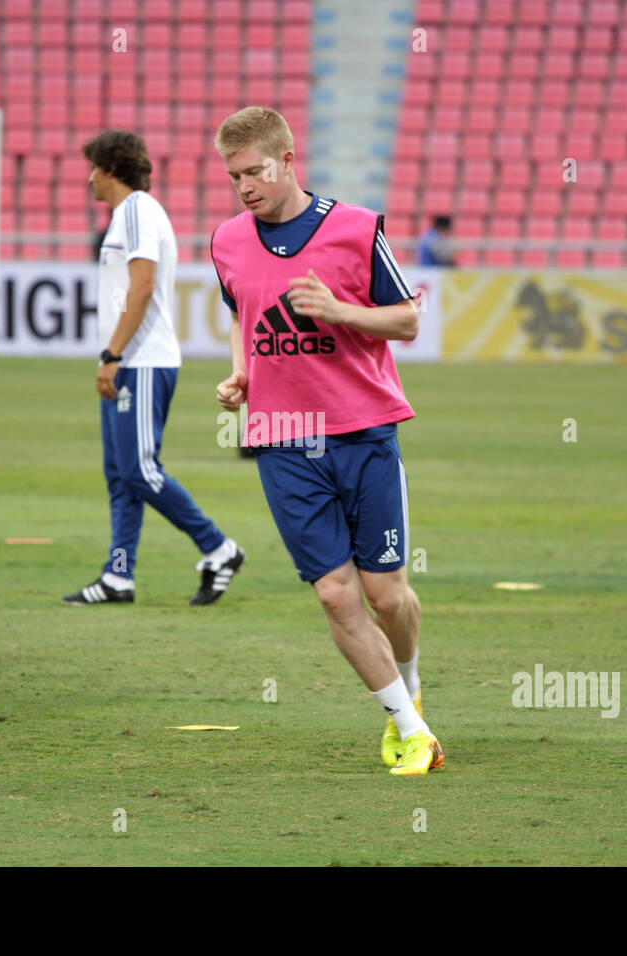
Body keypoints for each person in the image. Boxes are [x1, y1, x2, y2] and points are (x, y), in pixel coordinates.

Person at [209, 107, 442, 775]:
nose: (245, 186)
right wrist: (241, 372)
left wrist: (338, 311)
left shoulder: (356, 228)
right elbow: (241, 313)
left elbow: (407, 320)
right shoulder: (227, 241)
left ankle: (410, 684)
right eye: (234, 176)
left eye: (255, 172)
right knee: (336, 594)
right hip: (282, 439)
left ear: (287, 161)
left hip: (362, 431)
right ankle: (410, 730)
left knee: (386, 595)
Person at [63, 129, 242, 607]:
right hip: (131, 360)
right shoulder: (128, 214)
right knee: (121, 476)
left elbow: (141, 287)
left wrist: (113, 355)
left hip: (141, 360)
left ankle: (218, 548)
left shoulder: (137, 210)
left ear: (110, 169)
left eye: (93, 168)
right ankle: (118, 576)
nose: (89, 179)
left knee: (140, 471)